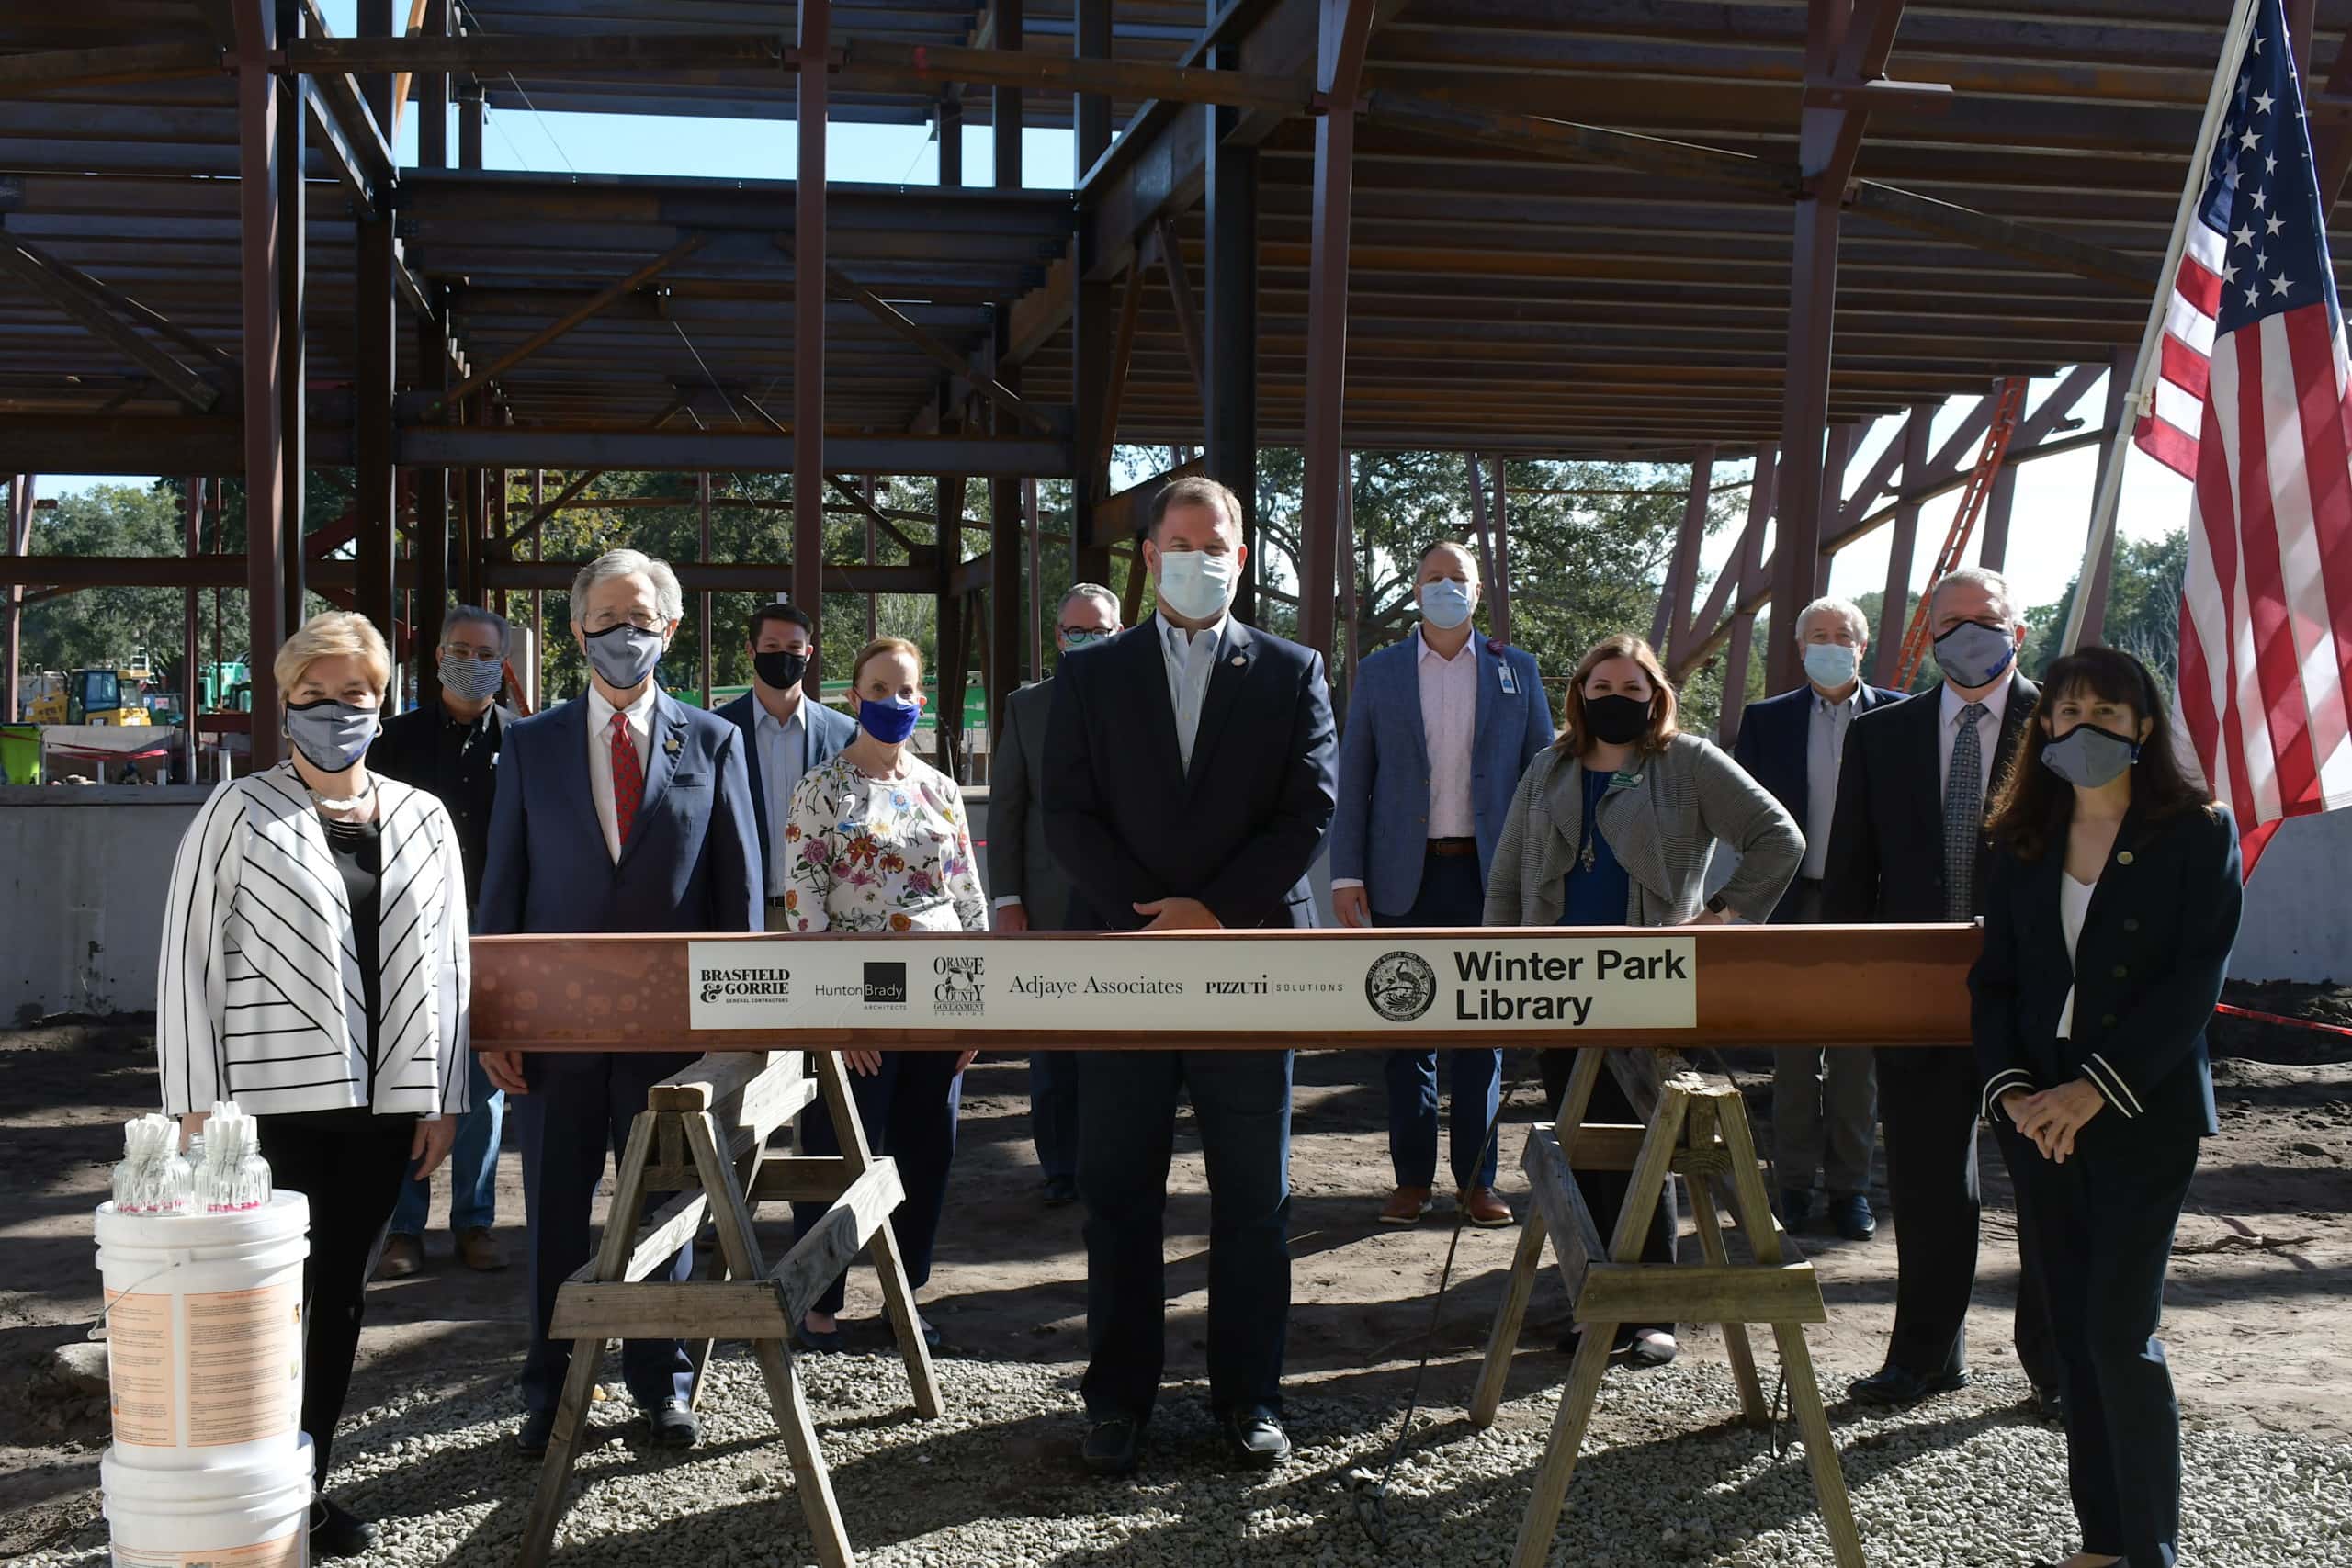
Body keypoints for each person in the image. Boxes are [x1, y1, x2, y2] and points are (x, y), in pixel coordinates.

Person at [155, 612, 470, 1558]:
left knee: (339, 1300)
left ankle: (303, 1490)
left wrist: (445, 1095)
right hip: (266, 1110)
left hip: (384, 1107)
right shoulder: (236, 812)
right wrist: (193, 1105)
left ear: (382, 701)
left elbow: (450, 965)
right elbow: (186, 961)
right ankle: (239, 1487)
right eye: (314, 696)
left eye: (354, 695)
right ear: (285, 703)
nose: (336, 711)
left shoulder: (424, 817)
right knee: (263, 1301)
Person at [1043, 474, 1338, 1477]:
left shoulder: (1291, 670)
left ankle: (1249, 1399)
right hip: (1121, 965)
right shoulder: (1093, 674)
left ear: (1242, 558)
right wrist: (1151, 912)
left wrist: (1211, 911)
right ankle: (1117, 1401)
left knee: (1253, 1198)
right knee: (1119, 1193)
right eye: (1181, 544)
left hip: (1245, 965)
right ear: (1148, 556)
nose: (1198, 560)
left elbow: (1308, 808)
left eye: (1216, 546)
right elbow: (1066, 811)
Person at [476, 548, 762, 1458]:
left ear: (668, 629)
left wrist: (736, 1029)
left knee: (664, 1210)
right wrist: (494, 1017)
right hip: (554, 1033)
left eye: (639, 618)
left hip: (669, 1036)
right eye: (605, 618)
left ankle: (661, 1383)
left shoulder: (713, 742)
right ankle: (551, 1388)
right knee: (555, 1211)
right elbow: (502, 889)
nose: (621, 634)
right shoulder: (530, 745)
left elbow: (738, 896)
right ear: (576, 629)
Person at [1973, 646, 2240, 1568]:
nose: (2083, 728)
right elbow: (1995, 984)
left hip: (2140, 1113)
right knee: (2074, 1338)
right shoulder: (2020, 840)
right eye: (2068, 712)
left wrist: (2092, 1091)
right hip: (2038, 1122)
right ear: (2043, 726)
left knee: (2121, 1333)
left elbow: (2192, 985)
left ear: (2143, 727)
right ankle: (2102, 1543)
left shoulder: (2197, 832)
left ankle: (2151, 1550)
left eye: (2106, 714)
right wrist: (2015, 1094)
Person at [1486, 632, 1800, 1370]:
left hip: (1648, 983)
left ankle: (1652, 1312)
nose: (1615, 699)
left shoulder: (1686, 762)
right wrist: (1499, 969)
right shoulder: (1549, 765)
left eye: (1632, 688)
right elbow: (1507, 873)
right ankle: (1596, 1302)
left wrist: (1715, 918)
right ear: (1579, 694)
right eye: (1601, 687)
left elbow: (1777, 837)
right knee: (1579, 1145)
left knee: (1643, 1147)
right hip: (1555, 983)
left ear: (1657, 696)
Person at [1823, 564, 2062, 1413]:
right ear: (1928, 635)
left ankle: (2055, 1366)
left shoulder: (2063, 727)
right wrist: (1856, 986)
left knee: (2046, 1187)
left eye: (1984, 619)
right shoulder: (1881, 735)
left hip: (2035, 1005)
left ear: (2017, 631)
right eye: (1949, 622)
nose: (1967, 635)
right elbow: (1851, 874)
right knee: (1925, 1187)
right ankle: (1925, 1355)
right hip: (1918, 999)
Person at [1330, 540, 1552, 1228]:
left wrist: (1540, 877)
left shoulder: (1517, 670)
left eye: (1458, 578)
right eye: (1433, 577)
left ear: (1478, 592)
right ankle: (1411, 1180)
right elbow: (1354, 777)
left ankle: (1478, 1181)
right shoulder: (1380, 672)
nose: (1445, 587)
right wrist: (1346, 872)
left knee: (1482, 1032)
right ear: (1416, 589)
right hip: (1404, 876)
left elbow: (1544, 776)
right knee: (1406, 1028)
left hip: (1490, 877)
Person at [780, 636, 986, 1351]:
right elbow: (804, 908)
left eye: (905, 690)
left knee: (927, 1151)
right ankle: (819, 1302)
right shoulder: (821, 789)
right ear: (853, 696)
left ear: (921, 699)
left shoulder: (940, 789)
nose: (892, 701)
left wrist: (976, 1007)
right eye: (878, 688)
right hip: (858, 991)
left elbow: (968, 899)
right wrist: (839, 1017)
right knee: (841, 1148)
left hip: (938, 995)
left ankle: (906, 1294)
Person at [1731, 596, 1903, 1243]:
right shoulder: (1766, 720)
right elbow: (1743, 817)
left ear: (1863, 646)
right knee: (1795, 1054)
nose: (1831, 644)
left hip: (1868, 905)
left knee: (1857, 1060)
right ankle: (1795, 1184)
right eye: (1818, 636)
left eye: (1843, 635)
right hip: (1792, 900)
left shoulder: (1901, 715)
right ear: (1800, 648)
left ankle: (1851, 1189)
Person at [370, 604, 517, 1279]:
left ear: (502, 663)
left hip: (491, 930)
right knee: (407, 1074)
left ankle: (474, 1221)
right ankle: (402, 1227)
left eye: (486, 654)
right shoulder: (391, 742)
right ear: (436, 657)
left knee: (485, 1080)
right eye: (461, 650)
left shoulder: (523, 743)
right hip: (407, 928)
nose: (472, 664)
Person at [988, 582, 1121, 1207]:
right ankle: (1061, 1170)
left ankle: (1114, 1163)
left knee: (1120, 1046)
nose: (1086, 640)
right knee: (1054, 1048)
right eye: (1076, 631)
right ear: (1058, 637)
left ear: (1121, 633)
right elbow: (1007, 808)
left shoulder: (1147, 700)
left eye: (1099, 630)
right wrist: (1007, 897)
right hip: (1047, 904)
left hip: (1126, 902)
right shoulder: (1027, 707)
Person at [716, 601, 857, 933]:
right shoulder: (717, 731)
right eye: (771, 646)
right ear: (751, 651)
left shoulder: (843, 734)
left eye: (794, 648)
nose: (783, 655)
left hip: (825, 915)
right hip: (743, 914)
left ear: (808, 652)